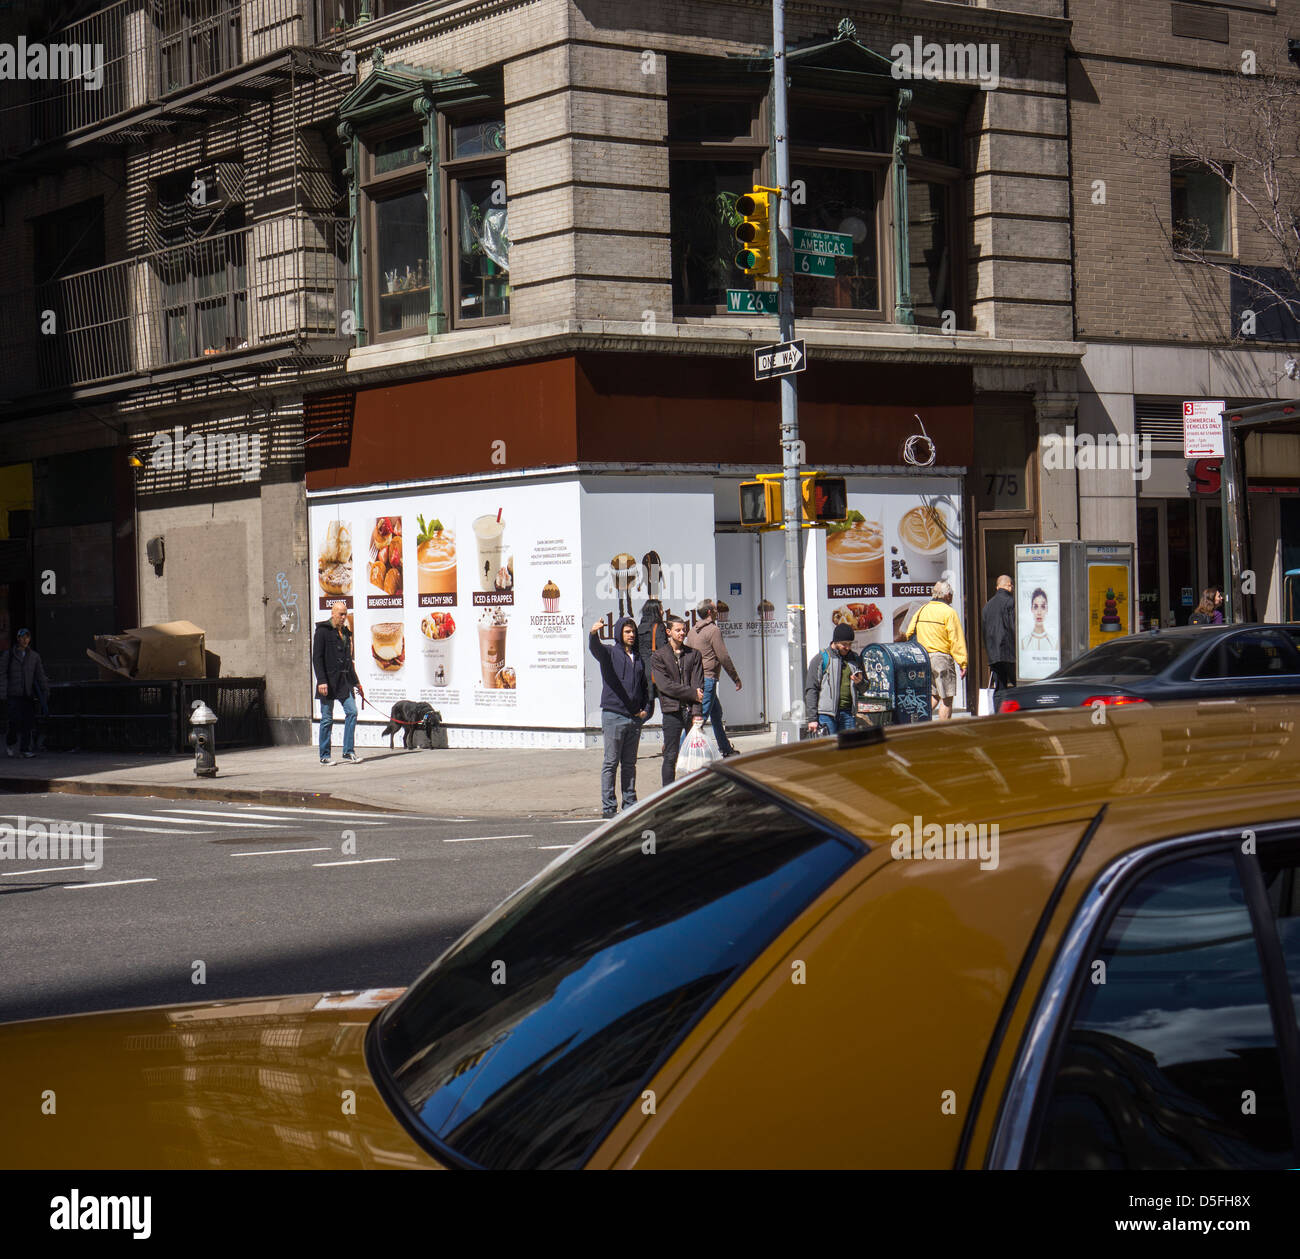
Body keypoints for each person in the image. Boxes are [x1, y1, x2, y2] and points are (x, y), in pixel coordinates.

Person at [589, 615, 649, 817]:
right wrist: (593, 634)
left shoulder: (638, 657)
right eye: (627, 631)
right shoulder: (610, 653)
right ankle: (608, 807)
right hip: (614, 715)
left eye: (633, 632)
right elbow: (595, 650)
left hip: (634, 718)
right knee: (611, 762)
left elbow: (644, 686)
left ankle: (630, 803)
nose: (631, 635)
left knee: (630, 763)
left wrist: (645, 710)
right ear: (619, 633)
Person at [650, 614, 704, 786]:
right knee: (670, 755)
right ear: (668, 632)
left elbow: (698, 684)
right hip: (671, 711)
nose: (682, 633)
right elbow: (665, 686)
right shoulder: (659, 656)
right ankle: (667, 793)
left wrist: (697, 711)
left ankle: (692, 790)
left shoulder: (693, 654)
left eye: (683, 630)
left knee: (693, 756)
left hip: (690, 711)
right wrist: (692, 693)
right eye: (678, 630)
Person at [685, 598, 741, 758]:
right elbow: (723, 656)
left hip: (697, 678)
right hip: (708, 679)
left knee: (716, 713)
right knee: (699, 718)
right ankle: (678, 750)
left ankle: (726, 749)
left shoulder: (692, 630)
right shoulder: (713, 630)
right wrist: (735, 678)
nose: (718, 612)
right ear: (710, 612)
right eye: (716, 610)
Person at [905, 579, 968, 720]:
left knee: (934, 695)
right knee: (947, 699)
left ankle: (917, 720)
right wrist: (962, 663)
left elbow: (908, 633)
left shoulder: (922, 609)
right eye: (951, 594)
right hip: (942, 659)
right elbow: (956, 639)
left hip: (924, 659)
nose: (951, 597)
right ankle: (943, 732)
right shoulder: (949, 612)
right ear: (946, 595)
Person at [312, 601, 364, 765]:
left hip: (344, 682)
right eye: (341, 614)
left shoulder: (347, 633)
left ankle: (348, 751)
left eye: (345, 614)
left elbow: (348, 661)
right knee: (327, 718)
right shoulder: (322, 631)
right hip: (327, 682)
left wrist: (357, 683)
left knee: (352, 712)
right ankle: (324, 755)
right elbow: (317, 658)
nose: (343, 617)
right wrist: (321, 680)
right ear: (333, 613)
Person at [804, 623, 864, 735]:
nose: (848, 648)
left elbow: (865, 687)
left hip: (848, 714)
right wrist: (812, 719)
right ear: (835, 642)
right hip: (827, 716)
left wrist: (860, 682)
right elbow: (811, 689)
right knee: (830, 750)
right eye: (844, 644)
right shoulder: (821, 659)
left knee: (848, 750)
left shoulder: (855, 659)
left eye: (850, 644)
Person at [0, 628, 49, 757]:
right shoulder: (9, 655)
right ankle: (10, 742)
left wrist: (45, 689)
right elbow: (2, 674)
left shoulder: (34, 656)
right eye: (22, 637)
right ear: (18, 639)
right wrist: (3, 692)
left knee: (28, 722)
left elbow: (40, 674)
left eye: (27, 637)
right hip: (13, 693)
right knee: (14, 721)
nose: (25, 640)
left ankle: (25, 749)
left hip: (27, 693)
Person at [980, 574, 1016, 693]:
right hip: (1009, 652)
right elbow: (1013, 626)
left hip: (993, 654)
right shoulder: (1011, 602)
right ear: (1009, 586)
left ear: (997, 588)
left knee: (1000, 687)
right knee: (1019, 686)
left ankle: (999, 710)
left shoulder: (987, 606)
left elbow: (984, 630)